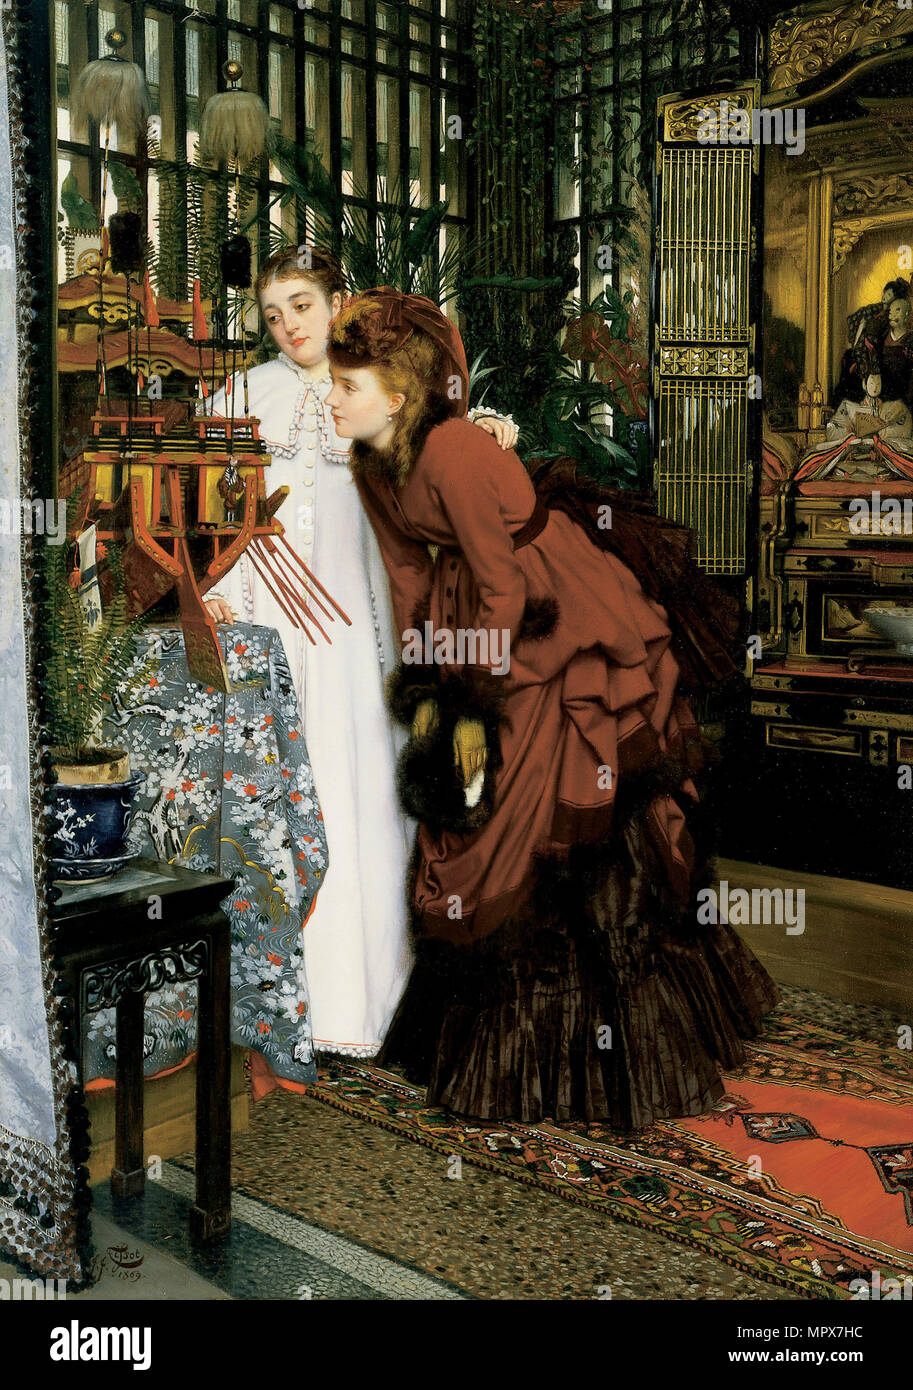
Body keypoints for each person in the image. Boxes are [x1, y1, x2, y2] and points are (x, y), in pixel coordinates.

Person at [325, 288, 779, 1128]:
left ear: (396, 394)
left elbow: (501, 583)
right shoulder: (368, 462)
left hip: (542, 597)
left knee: (546, 794)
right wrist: (428, 685)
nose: (331, 398)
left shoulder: (455, 451)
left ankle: (593, 1050)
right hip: (475, 602)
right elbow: (410, 577)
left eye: (346, 385)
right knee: (469, 807)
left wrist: (472, 699)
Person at [204, 248, 518, 1064]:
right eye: (273, 315)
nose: (289, 326)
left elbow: (440, 457)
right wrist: (217, 591)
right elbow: (207, 509)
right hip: (271, 616)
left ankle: (369, 1000)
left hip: (362, 615)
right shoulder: (240, 396)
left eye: (302, 305)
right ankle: (278, 1004)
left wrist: (485, 432)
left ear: (335, 301)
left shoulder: (375, 379)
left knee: (366, 782)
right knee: (283, 786)